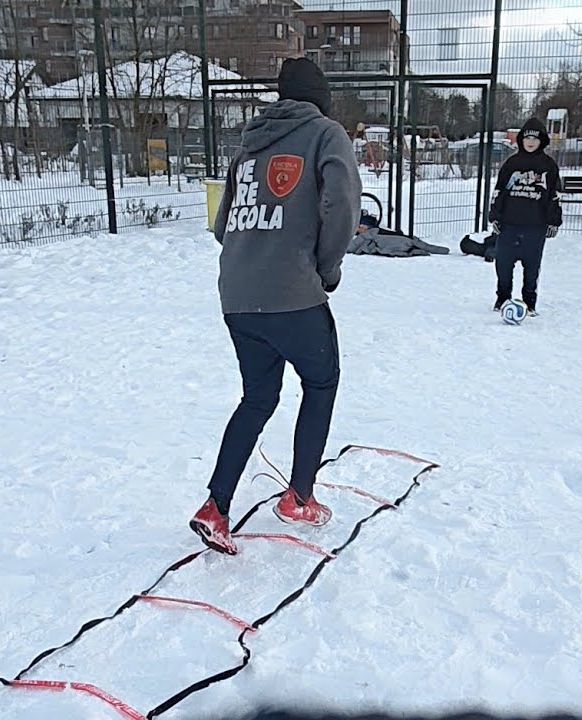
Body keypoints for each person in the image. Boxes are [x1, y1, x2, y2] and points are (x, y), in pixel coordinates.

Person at [189, 57, 362, 556]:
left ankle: (216, 506)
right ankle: (299, 497)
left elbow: (223, 226)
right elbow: (342, 207)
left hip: (238, 297)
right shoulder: (326, 134)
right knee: (321, 381)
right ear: (321, 99)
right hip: (293, 294)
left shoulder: (249, 144)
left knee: (258, 398)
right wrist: (326, 269)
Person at [488, 118, 563, 313]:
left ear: (542, 141)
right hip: (509, 224)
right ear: (521, 139)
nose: (530, 142)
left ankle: (529, 301)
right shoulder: (512, 164)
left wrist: (553, 221)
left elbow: (554, 195)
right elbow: (500, 191)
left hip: (535, 226)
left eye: (535, 139)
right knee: (503, 264)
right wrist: (495, 216)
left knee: (532, 266)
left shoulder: (548, 166)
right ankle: (503, 298)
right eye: (527, 138)